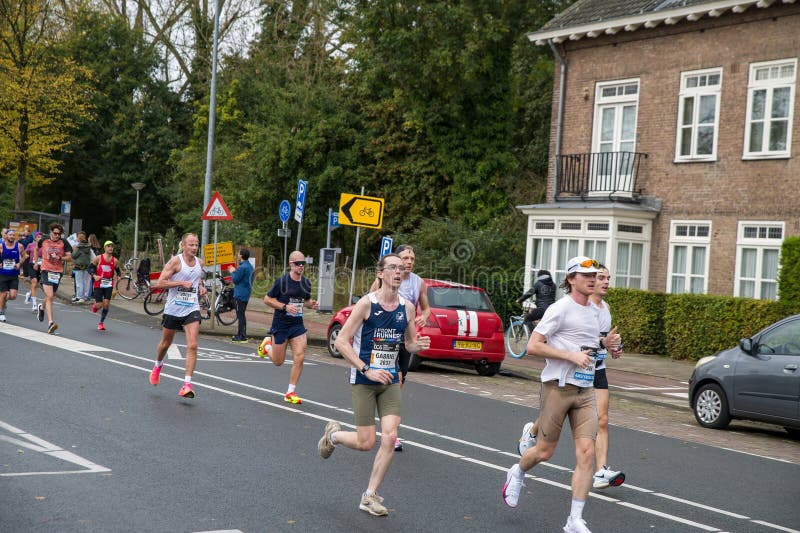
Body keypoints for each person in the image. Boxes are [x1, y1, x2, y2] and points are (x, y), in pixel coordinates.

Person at [501, 256, 620, 533]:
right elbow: (533, 345)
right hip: (558, 387)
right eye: (585, 275)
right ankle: (517, 472)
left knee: (586, 453)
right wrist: (569, 356)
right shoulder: (560, 309)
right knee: (544, 451)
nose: (592, 279)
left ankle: (574, 520)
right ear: (571, 279)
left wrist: (606, 344)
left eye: (595, 275)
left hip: (585, 390)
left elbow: (588, 344)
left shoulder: (595, 311)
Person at [318, 253, 431, 516]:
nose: (398, 272)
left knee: (390, 437)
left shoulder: (408, 308)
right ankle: (332, 436)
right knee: (366, 442)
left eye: (401, 269)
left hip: (390, 379)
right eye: (392, 268)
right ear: (380, 273)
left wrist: (418, 345)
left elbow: (408, 342)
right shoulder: (367, 305)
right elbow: (341, 342)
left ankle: (369, 496)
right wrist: (366, 369)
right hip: (364, 379)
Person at [516, 266, 626, 491]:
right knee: (553, 427)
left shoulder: (605, 309)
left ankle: (601, 470)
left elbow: (599, 340)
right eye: (599, 277)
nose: (604, 282)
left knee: (602, 419)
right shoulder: (567, 307)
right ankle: (532, 431)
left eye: (606, 278)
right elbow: (543, 343)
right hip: (569, 372)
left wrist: (613, 347)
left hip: (596, 368)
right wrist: (574, 353)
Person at [368, 244, 431, 451]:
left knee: (398, 382)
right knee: (395, 379)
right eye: (405, 258)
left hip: (405, 339)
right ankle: (390, 432)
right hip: (384, 338)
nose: (409, 262)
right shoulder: (383, 279)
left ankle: (389, 426)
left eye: (412, 258)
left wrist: (422, 318)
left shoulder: (418, 282)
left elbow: (427, 309)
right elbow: (369, 303)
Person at [147, 233, 206, 398]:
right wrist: (180, 283)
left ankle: (186, 385)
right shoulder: (175, 262)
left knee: (193, 345)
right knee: (166, 343)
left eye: (196, 245)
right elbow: (159, 283)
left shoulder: (199, 263)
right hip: (173, 309)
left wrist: (201, 287)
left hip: (191, 308)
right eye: (191, 245)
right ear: (183, 245)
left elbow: (197, 278)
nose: (194, 248)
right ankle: (158, 364)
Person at [259, 250, 319, 404]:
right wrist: (284, 307)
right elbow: (267, 299)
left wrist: (311, 304)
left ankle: (290, 392)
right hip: (281, 324)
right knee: (278, 362)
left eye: (303, 263)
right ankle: (267, 347)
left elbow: (304, 301)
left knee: (300, 356)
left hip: (297, 325)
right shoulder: (282, 282)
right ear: (291, 264)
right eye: (298, 263)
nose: (301, 266)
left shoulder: (306, 283)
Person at [37, 223, 72, 334]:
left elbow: (69, 258)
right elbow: (36, 248)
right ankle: (50, 323)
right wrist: (35, 260)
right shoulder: (44, 240)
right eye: (55, 233)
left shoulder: (64, 242)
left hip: (57, 272)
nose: (57, 235)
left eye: (59, 234)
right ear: (51, 232)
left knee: (50, 296)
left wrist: (59, 257)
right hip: (46, 270)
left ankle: (41, 307)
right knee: (50, 296)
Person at [89, 240, 120, 331]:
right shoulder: (98, 258)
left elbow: (118, 270)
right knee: (99, 305)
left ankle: (101, 323)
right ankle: (95, 306)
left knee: (106, 304)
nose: (111, 248)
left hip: (108, 284)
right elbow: (90, 268)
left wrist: (118, 276)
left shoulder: (115, 260)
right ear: (105, 248)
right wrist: (94, 276)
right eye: (108, 246)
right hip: (98, 284)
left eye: (112, 246)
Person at [0, 227, 26, 322]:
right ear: (6, 236)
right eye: (10, 235)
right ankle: (1, 312)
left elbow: (24, 256)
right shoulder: (1, 246)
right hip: (3, 274)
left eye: (13, 235)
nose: (12, 236)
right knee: (3, 294)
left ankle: (2, 301)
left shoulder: (19, 246)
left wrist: (20, 263)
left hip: (14, 274)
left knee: (13, 295)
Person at [228, 248, 254, 343]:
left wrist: (232, 271)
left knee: (240, 315)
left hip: (240, 294)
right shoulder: (249, 266)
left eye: (238, 253)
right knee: (241, 314)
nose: (237, 255)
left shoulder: (242, 267)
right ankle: (242, 335)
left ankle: (242, 336)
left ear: (241, 256)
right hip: (246, 293)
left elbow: (235, 280)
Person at [70, 231, 93, 303]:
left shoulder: (79, 247)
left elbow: (73, 255)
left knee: (79, 282)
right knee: (84, 282)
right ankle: (82, 296)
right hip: (86, 266)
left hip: (79, 266)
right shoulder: (88, 247)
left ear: (79, 238)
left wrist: (74, 249)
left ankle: (79, 297)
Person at [23, 232, 42, 311]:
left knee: (36, 284)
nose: (40, 238)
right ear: (35, 238)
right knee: (34, 282)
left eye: (41, 237)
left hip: (41, 266)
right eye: (38, 237)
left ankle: (29, 294)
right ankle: (34, 305)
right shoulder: (31, 245)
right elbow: (25, 253)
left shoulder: (44, 246)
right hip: (32, 265)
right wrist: (26, 255)